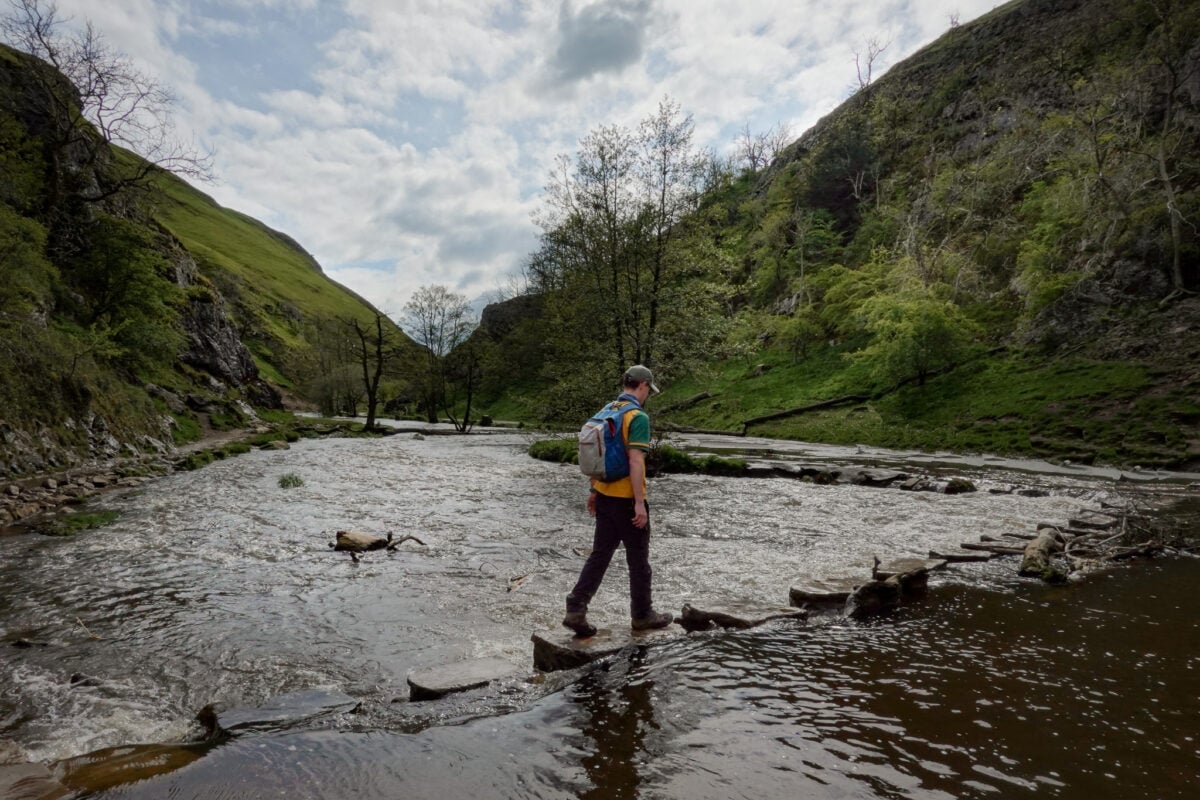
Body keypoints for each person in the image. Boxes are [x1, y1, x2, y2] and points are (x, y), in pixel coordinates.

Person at [563, 365, 674, 637]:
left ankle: (576, 607)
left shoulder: (607, 410)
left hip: (604, 496)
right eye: (649, 390)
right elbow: (636, 461)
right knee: (639, 561)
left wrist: (594, 491)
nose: (648, 394)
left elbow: (596, 457)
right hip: (626, 500)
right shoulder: (637, 417)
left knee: (600, 555)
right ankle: (643, 615)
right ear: (644, 386)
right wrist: (639, 502)